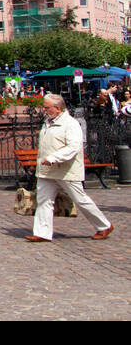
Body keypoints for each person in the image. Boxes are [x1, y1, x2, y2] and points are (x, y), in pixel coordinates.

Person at [26, 94, 113, 242]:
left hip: (66, 169)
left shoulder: (71, 124)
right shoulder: (48, 122)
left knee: (80, 199)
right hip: (47, 170)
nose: (44, 110)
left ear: (58, 108)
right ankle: (42, 233)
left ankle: (103, 225)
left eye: (47, 107)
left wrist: (53, 158)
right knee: (44, 200)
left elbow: (73, 147)